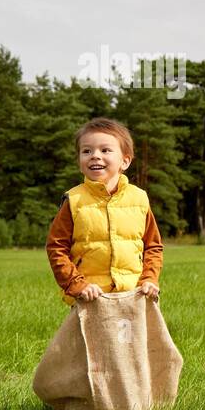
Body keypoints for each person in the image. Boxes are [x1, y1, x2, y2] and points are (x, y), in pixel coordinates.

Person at [45, 117, 163, 304]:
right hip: (91, 296)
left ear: (125, 161)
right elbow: (56, 248)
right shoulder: (73, 200)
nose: (95, 155)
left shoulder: (139, 199)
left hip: (133, 294)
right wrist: (77, 285)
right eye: (87, 151)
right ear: (79, 161)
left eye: (105, 150)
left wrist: (149, 279)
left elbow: (153, 246)